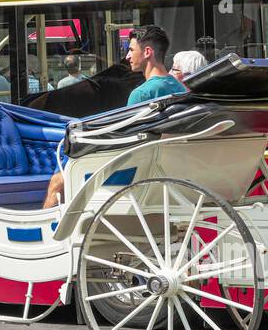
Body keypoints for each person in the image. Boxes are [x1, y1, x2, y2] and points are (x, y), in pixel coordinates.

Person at [42, 26, 186, 209]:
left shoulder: (141, 94)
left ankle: (48, 232)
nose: (127, 56)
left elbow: (126, 140)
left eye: (131, 49)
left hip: (136, 169)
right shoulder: (179, 88)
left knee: (59, 177)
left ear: (147, 52)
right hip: (169, 167)